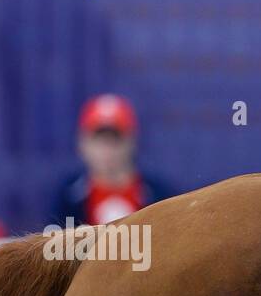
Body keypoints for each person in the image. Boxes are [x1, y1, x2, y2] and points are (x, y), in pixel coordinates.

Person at [52, 95, 173, 227]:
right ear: (82, 144)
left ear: (132, 143)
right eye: (99, 141)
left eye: (115, 140)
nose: (107, 150)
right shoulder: (68, 198)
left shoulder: (159, 196)